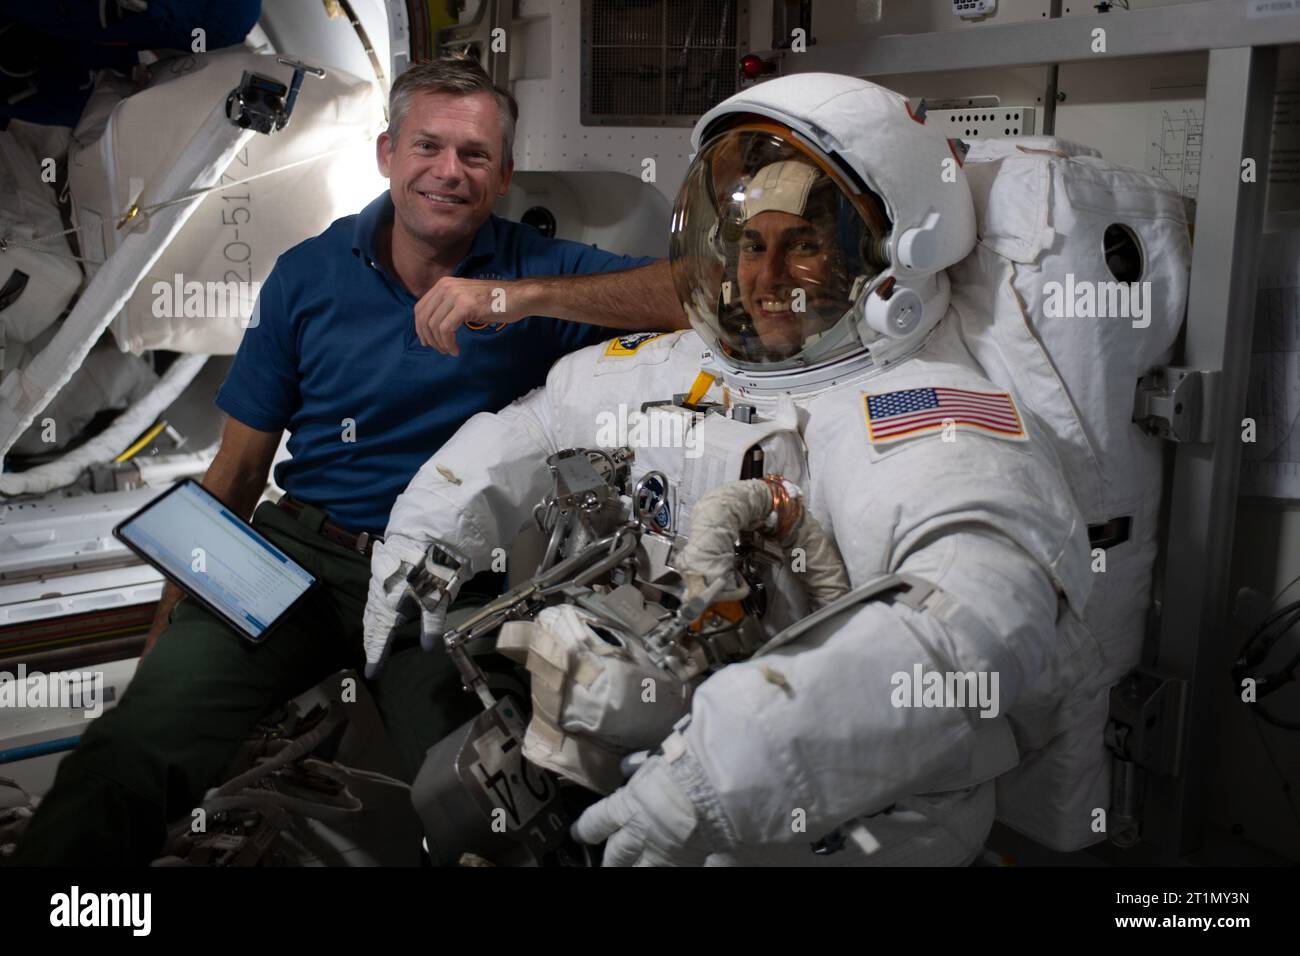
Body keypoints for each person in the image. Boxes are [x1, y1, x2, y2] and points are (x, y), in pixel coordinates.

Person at [363, 73, 1098, 866]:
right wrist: (426, 544)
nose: (766, 275)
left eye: (806, 244)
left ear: (891, 260)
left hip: (852, 817)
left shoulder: (918, 406)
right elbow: (536, 424)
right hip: (678, 754)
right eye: (752, 243)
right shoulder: (690, 362)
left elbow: (978, 621)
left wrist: (737, 767)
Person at [9, 56, 685, 866]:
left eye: (474, 156)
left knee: (497, 804)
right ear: (386, 154)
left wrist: (517, 299)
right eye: (426, 147)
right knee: (131, 754)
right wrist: (174, 636)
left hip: (444, 586)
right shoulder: (307, 276)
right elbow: (233, 477)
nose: (448, 172)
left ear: (504, 175)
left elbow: (693, 294)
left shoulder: (536, 272)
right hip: (295, 556)